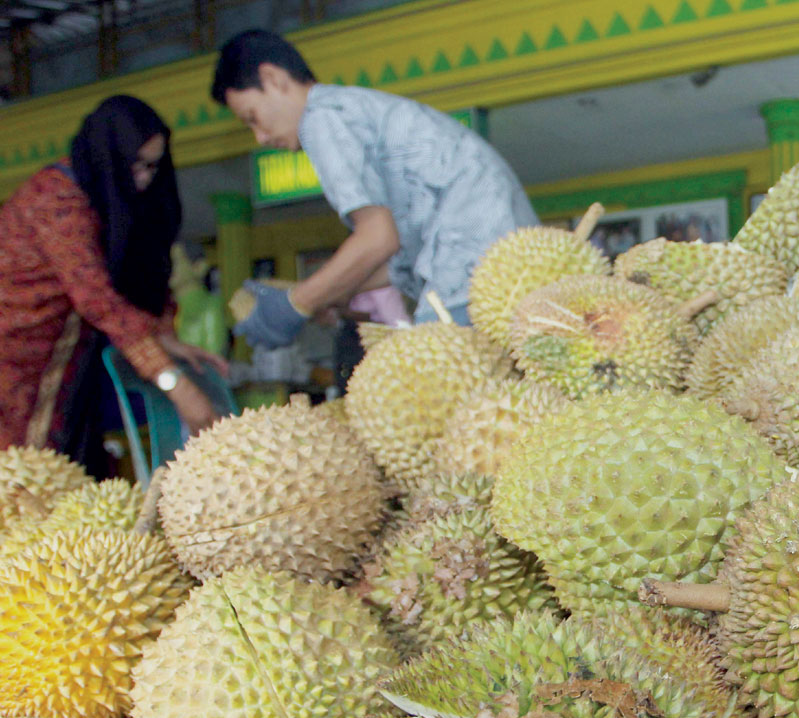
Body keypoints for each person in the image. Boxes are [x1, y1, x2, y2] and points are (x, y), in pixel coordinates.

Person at [210, 29, 538, 348]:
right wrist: (329, 293)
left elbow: (378, 238)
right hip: (510, 262)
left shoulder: (321, 118)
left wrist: (296, 302)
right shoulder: (352, 108)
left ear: (273, 78)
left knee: (436, 383)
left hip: (470, 268)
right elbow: (393, 256)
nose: (260, 137)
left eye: (252, 117)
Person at [0, 95, 226, 469]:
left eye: (152, 166)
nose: (143, 179)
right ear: (108, 158)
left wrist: (164, 340)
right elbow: (96, 299)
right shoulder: (56, 198)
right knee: (19, 485)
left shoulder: (106, 204)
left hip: (68, 367)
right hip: (13, 362)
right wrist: (175, 385)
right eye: (134, 166)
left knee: (61, 472)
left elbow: (135, 281)